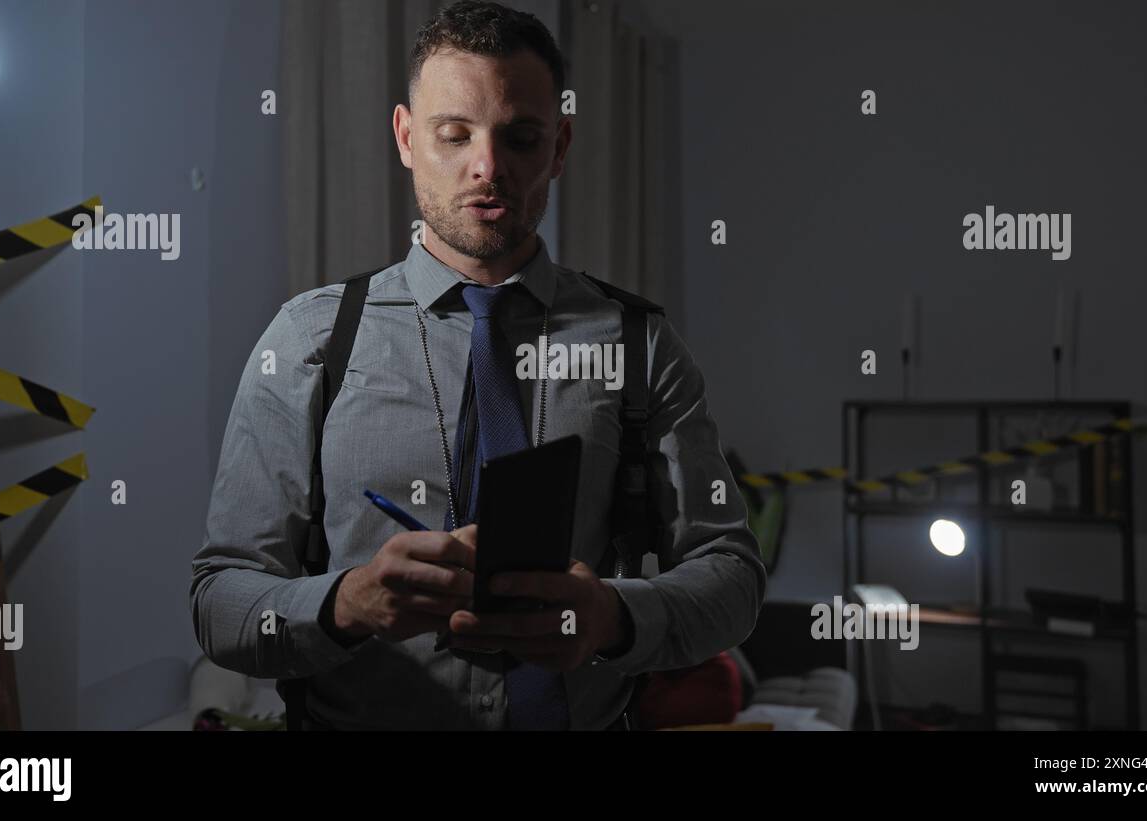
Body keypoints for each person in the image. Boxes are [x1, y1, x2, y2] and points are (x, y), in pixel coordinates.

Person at [190, 0, 765, 730]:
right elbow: (219, 599)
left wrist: (613, 615)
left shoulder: (639, 345)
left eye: (519, 137)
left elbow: (734, 577)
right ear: (406, 137)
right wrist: (347, 603)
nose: (487, 167)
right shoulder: (308, 338)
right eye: (454, 135)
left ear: (559, 146)